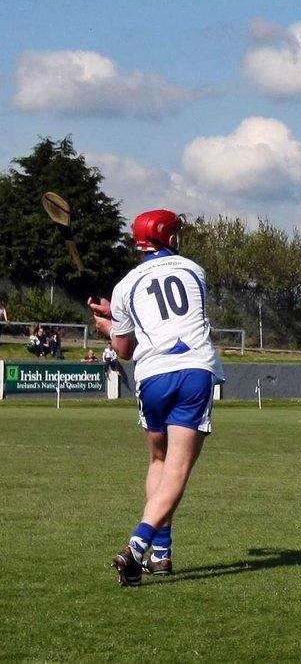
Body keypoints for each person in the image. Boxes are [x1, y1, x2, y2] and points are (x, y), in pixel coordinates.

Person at [91, 209, 224, 587]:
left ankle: (162, 555)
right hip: (193, 369)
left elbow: (124, 349)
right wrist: (117, 320)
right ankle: (138, 547)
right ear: (168, 237)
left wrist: (110, 324)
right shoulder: (194, 270)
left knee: (160, 460)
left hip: (151, 376)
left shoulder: (124, 285)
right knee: (178, 468)